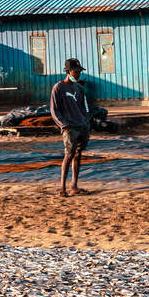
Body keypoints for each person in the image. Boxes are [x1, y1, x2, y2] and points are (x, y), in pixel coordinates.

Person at [50, 58, 92, 197]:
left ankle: (74, 186)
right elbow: (54, 110)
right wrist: (64, 126)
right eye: (76, 71)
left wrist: (86, 122)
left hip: (81, 126)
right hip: (69, 128)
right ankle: (62, 188)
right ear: (68, 71)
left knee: (78, 154)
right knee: (68, 155)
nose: (78, 74)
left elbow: (84, 107)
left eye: (80, 71)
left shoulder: (79, 88)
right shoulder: (58, 88)